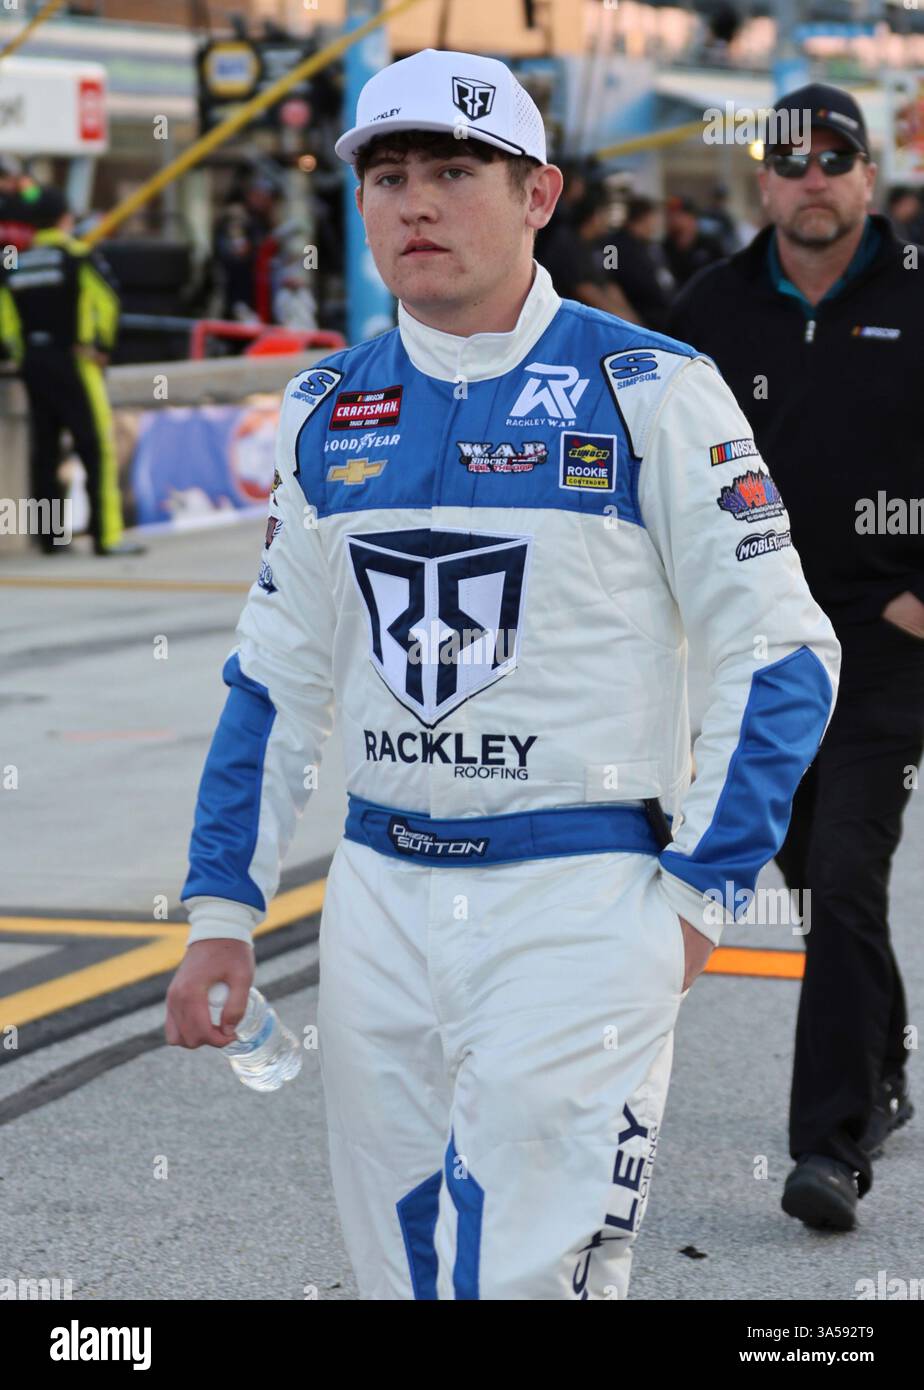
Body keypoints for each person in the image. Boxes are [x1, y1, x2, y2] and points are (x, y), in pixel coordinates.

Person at [167, 47, 840, 1300]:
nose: (416, 203)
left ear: (541, 195)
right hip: (378, 895)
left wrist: (700, 896)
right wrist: (221, 912)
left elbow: (784, 649)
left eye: (456, 171)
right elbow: (276, 679)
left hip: (582, 896)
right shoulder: (327, 409)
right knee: (399, 1267)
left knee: (535, 1274)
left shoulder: (651, 389)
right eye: (390, 176)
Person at [668, 82, 924, 1233]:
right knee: (819, 890)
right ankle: (885, 1048)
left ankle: (830, 1146)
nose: (812, 178)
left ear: (868, 176)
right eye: (791, 162)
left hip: (884, 644)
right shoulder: (708, 310)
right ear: (763, 181)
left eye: (835, 159)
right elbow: (656, 469)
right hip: (762, 653)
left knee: (851, 874)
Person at [0, 187, 144, 556]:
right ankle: (106, 536)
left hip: (33, 363)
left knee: (44, 450)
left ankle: (49, 538)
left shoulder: (17, 262)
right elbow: (108, 301)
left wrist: (20, 350)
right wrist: (102, 347)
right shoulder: (78, 257)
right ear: (65, 220)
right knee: (95, 447)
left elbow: (6, 318)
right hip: (74, 361)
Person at [535, 179, 639, 319]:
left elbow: (611, 283)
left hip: (602, 315)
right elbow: (585, 290)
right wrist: (621, 319)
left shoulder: (607, 244)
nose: (609, 220)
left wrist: (632, 318)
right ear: (594, 216)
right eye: (606, 214)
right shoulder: (565, 241)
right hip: (571, 317)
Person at [606, 195, 675, 330]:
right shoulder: (613, 246)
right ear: (644, 218)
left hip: (665, 318)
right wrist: (629, 318)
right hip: (638, 319)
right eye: (654, 218)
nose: (656, 224)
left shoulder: (652, 246)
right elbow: (609, 281)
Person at [662, 194, 724, 287]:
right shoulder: (663, 248)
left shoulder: (710, 246)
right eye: (669, 215)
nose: (672, 220)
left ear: (692, 218)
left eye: (678, 215)